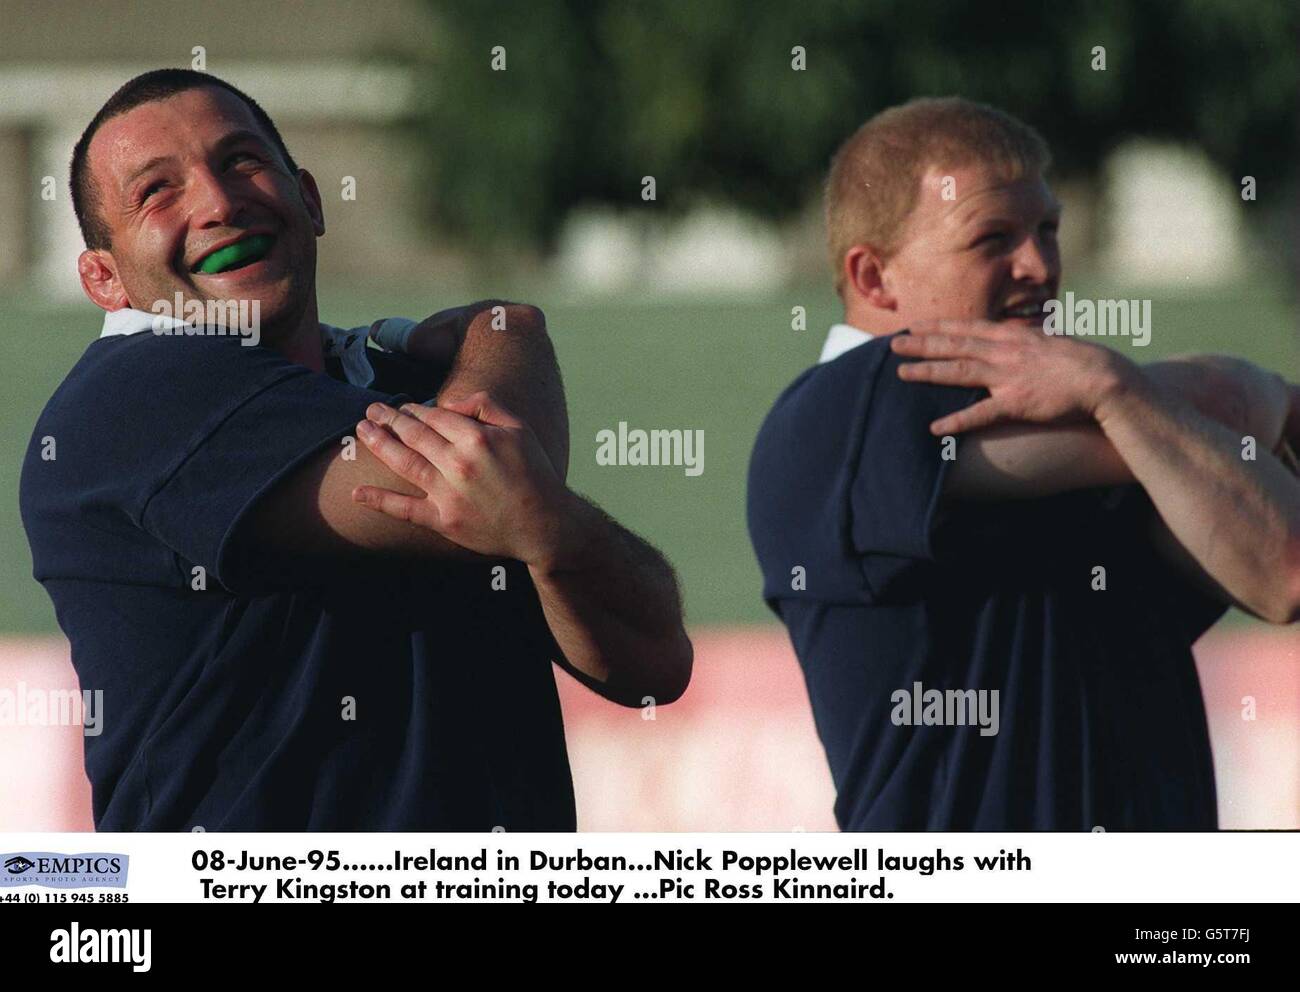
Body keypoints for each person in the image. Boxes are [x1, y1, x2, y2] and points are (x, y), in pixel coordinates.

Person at [19, 68, 692, 832]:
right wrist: (504, 330)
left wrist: (548, 527)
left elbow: (652, 663)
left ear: (308, 198)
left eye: (240, 160)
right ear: (103, 278)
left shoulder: (406, 389)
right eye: (157, 192)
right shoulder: (130, 400)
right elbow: (481, 472)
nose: (216, 201)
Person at [747, 97, 1300, 830]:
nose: (1038, 264)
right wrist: (1168, 394)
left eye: (1047, 229)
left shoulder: (1110, 423)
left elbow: (1283, 573)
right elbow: (1223, 400)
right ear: (875, 279)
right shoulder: (851, 403)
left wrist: (1127, 398)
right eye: (991, 239)